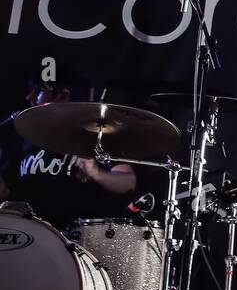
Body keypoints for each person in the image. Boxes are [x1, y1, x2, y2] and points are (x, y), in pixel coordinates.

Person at [0, 72, 137, 231]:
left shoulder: (93, 134)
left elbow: (128, 182)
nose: (29, 97)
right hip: (24, 231)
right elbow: (5, 192)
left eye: (38, 90)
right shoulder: (19, 135)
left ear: (63, 94)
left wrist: (96, 173)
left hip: (73, 238)